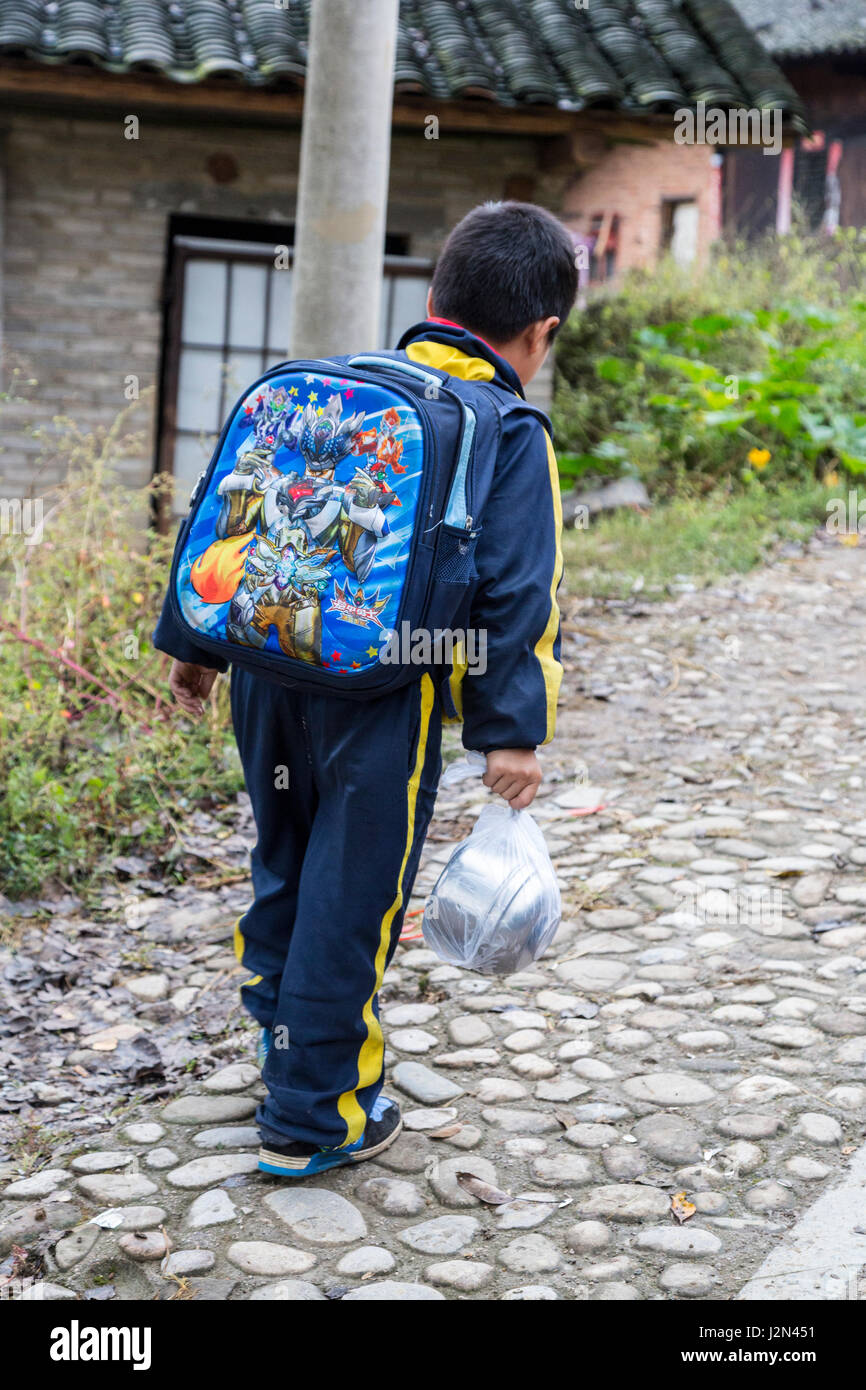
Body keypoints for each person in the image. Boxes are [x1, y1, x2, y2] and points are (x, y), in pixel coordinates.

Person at [153, 201, 578, 1177]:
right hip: (384, 696)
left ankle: (280, 1042)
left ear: (429, 299)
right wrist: (507, 732)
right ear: (540, 333)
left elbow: (236, 509)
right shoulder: (506, 427)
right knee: (356, 895)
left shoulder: (330, 385)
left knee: (284, 859)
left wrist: (196, 642)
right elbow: (518, 594)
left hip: (265, 669)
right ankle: (318, 1114)